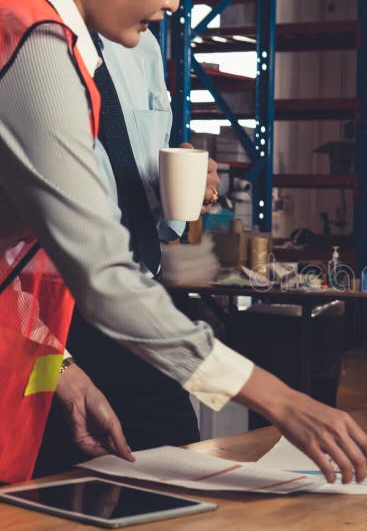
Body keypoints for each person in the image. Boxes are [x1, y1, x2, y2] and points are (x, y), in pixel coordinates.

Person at [0, 0, 367, 485]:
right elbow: (102, 273)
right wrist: (282, 400)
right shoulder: (34, 42)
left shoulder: (47, 37)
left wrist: (59, 363)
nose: (175, 2)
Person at [34, 26, 221, 476]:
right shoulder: (31, 47)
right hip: (49, 316)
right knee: (58, 487)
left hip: (137, 297)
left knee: (181, 474)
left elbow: (153, 214)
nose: (175, 6)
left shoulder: (143, 46)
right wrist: (52, 363)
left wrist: (191, 190)